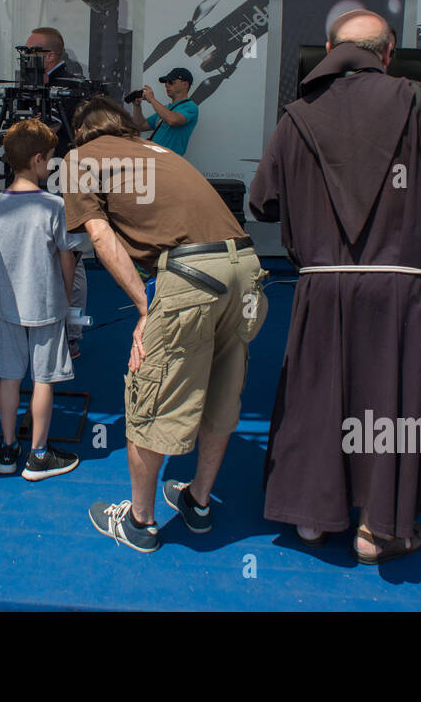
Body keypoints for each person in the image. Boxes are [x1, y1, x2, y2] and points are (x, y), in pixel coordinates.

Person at [249, 10, 421, 563]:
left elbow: (263, 202)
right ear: (387, 54)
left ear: (331, 48)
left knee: (317, 400)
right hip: (401, 289)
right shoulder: (417, 99)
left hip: (322, 285)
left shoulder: (298, 114)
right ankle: (378, 530)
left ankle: (312, 521)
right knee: (393, 408)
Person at [64, 96, 269, 553]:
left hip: (192, 275)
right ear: (122, 124)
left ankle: (139, 524)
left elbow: (99, 236)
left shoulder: (80, 158)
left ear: (81, 132)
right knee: (222, 390)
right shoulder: (161, 151)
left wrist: (145, 308)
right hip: (248, 270)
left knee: (150, 396)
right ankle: (197, 502)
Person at [0, 118, 81, 481]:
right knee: (44, 380)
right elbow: (68, 257)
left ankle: (7, 449)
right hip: (48, 307)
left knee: (8, 377)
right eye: (50, 158)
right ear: (38, 159)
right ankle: (38, 455)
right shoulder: (55, 206)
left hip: (9, 308)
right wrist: (66, 299)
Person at [26, 26, 88, 359]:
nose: (25, 56)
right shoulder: (42, 85)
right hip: (49, 184)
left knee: (71, 262)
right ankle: (59, 329)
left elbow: (57, 134)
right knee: (58, 259)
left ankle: (71, 333)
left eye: (31, 50)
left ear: (50, 56)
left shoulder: (70, 87)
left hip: (64, 185)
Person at [131, 66, 199, 156]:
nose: (166, 85)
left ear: (185, 84)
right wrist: (137, 106)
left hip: (168, 162)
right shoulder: (166, 109)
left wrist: (152, 99)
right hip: (154, 159)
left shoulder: (190, 106)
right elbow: (140, 126)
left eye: (171, 82)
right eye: (166, 82)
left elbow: (173, 120)